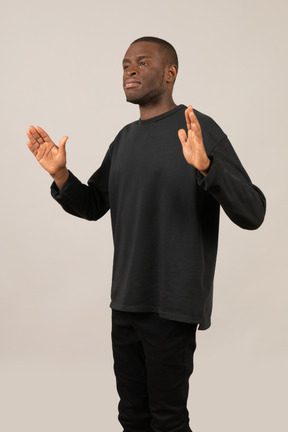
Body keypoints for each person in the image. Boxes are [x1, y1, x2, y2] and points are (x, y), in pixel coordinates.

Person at [26, 36, 266, 432]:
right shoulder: (124, 140)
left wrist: (207, 168)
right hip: (126, 302)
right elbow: (93, 205)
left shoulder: (197, 129)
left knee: (168, 421)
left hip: (172, 305)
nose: (130, 71)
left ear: (170, 73)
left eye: (142, 62)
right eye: (124, 65)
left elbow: (253, 212)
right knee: (132, 417)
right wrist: (61, 176)